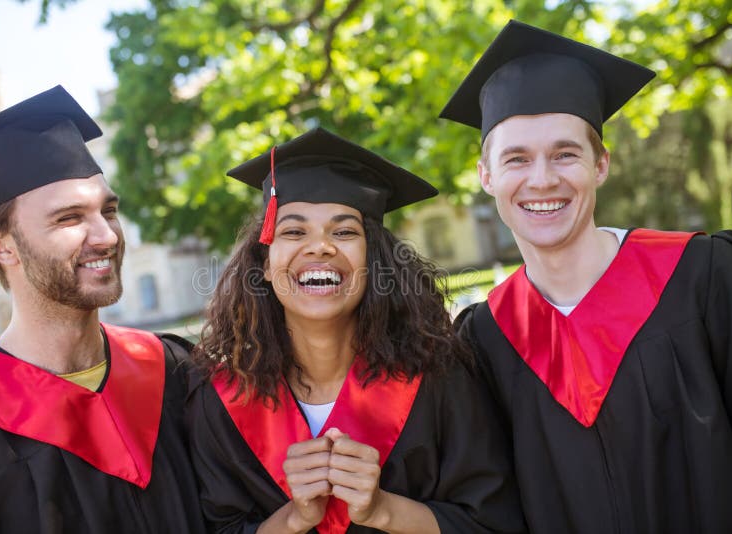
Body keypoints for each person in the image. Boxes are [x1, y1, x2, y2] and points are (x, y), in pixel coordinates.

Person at [440, 19, 732, 534]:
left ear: (601, 164)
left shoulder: (705, 277)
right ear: (486, 175)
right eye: (517, 158)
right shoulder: (483, 341)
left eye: (565, 153)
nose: (542, 179)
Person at [187, 127, 526, 533]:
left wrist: (382, 510)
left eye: (344, 231)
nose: (320, 247)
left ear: (375, 258)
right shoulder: (220, 398)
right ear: (264, 262)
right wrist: (295, 518)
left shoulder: (439, 376)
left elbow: (492, 523)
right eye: (293, 231)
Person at [0, 86, 206, 533]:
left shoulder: (173, 367)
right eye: (70, 218)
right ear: (0, 244)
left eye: (109, 209)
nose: (106, 235)